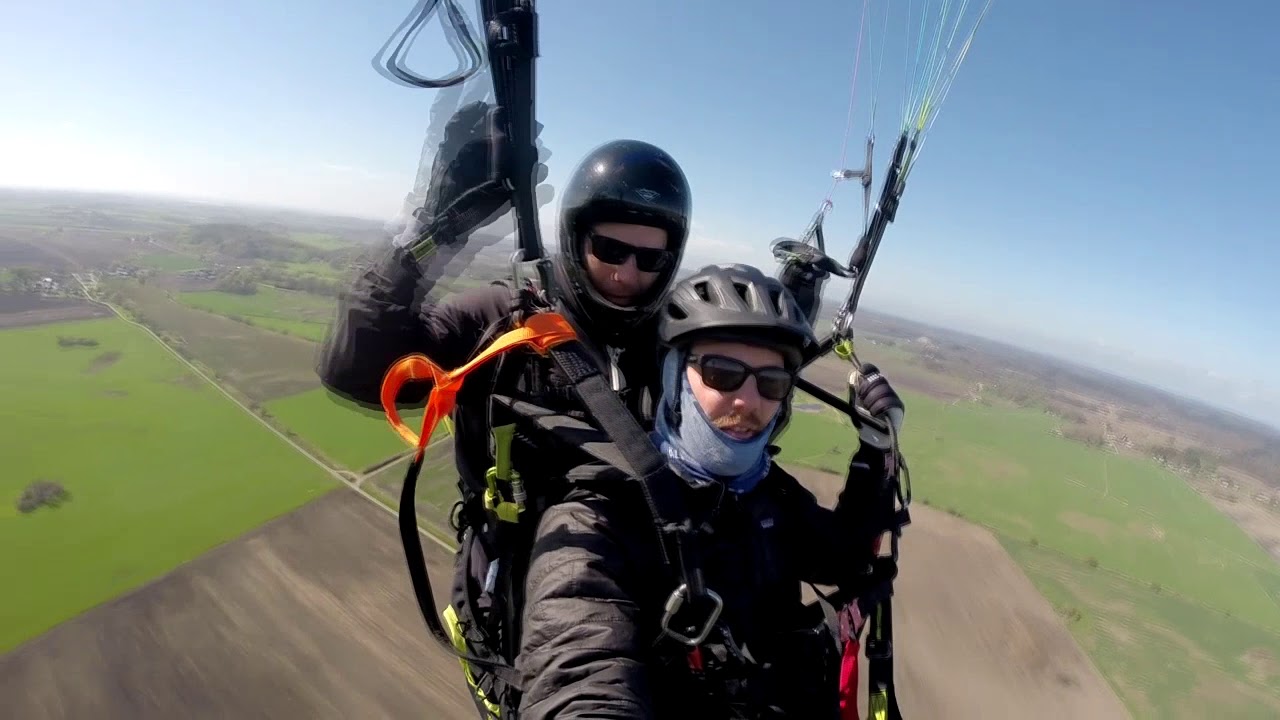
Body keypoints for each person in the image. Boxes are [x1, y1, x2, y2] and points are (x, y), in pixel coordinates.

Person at [513, 263, 906, 720]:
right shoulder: (595, 520)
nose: (748, 401)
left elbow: (845, 558)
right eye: (722, 373)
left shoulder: (768, 495)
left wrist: (875, 454)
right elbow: (580, 673)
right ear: (675, 378)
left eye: (772, 383)